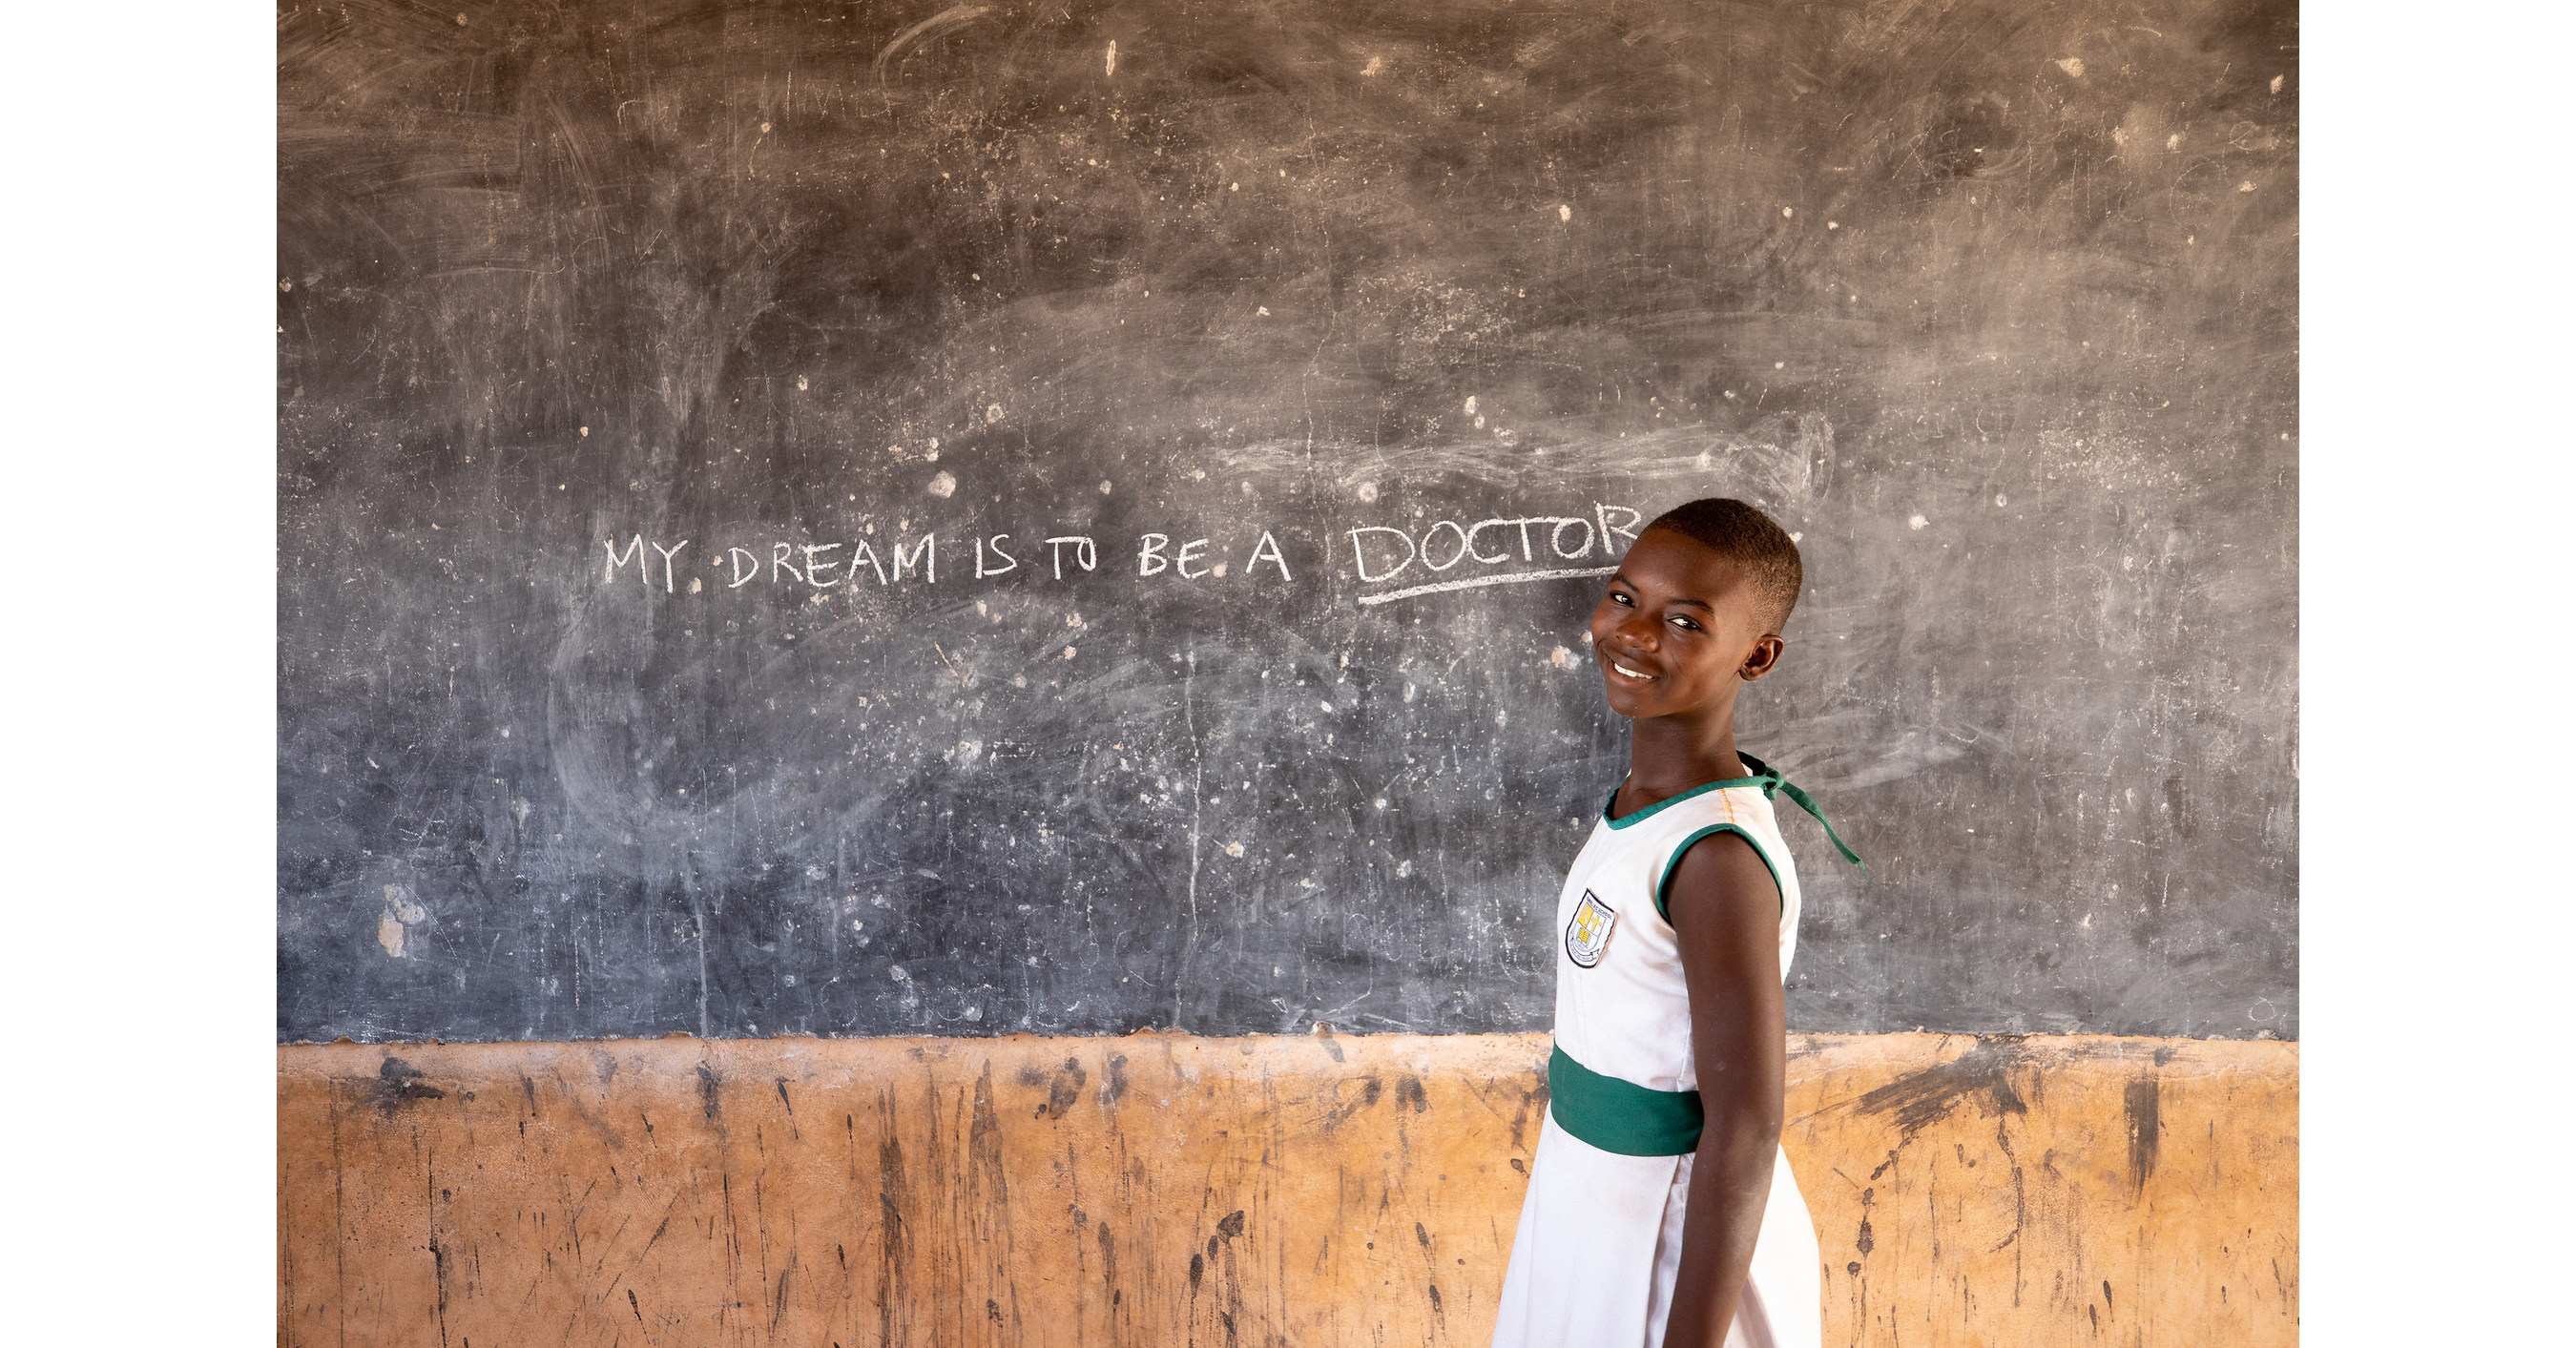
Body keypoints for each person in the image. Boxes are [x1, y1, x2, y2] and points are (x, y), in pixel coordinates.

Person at [1489, 498, 1863, 1348]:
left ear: (1757, 655)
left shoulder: (1718, 857)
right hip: (1590, 1193)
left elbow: (1749, 1121)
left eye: (1686, 621)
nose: (1635, 633)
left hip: (1673, 1238)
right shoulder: (1643, 806)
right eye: (1625, 598)